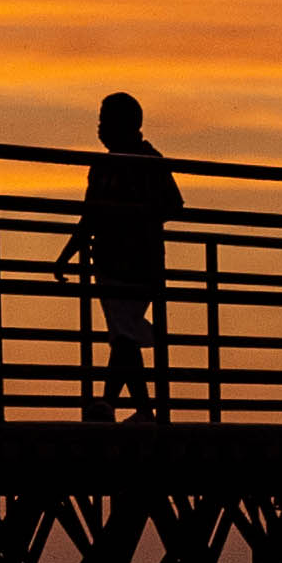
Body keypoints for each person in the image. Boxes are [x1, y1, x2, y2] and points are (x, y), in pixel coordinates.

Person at [61, 93, 180, 423]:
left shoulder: (148, 160)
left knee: (123, 334)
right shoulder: (102, 167)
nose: (100, 127)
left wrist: (134, 217)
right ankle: (132, 409)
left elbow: (173, 204)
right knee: (123, 336)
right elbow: (90, 215)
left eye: (105, 119)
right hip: (110, 263)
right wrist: (68, 254)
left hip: (138, 264)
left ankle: (112, 405)